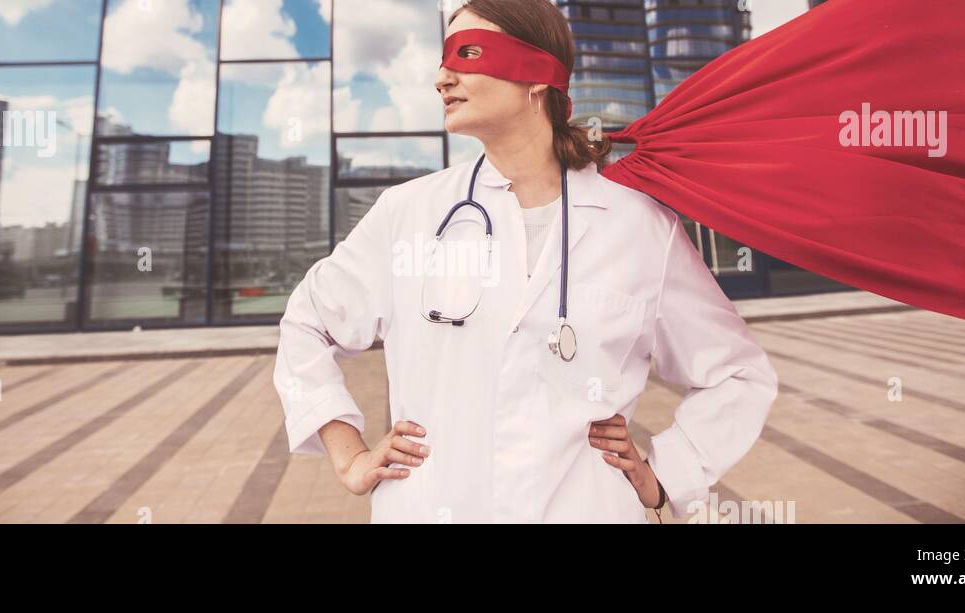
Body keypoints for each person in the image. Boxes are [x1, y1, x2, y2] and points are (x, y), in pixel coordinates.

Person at [272, 0, 777, 523]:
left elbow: (738, 373)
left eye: (467, 53)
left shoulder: (640, 228)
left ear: (537, 76)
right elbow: (307, 323)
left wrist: (666, 475)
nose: (442, 77)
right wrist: (348, 454)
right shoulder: (409, 214)